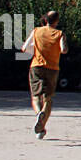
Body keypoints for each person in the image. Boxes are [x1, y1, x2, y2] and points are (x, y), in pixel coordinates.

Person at [19, 11, 67, 139]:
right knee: (48, 98)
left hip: (36, 66)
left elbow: (24, 48)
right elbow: (64, 50)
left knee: (35, 97)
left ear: (46, 19)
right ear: (56, 21)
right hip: (52, 68)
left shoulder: (36, 31)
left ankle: (39, 115)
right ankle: (42, 126)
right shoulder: (60, 34)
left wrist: (36, 48)